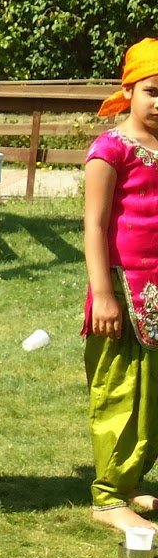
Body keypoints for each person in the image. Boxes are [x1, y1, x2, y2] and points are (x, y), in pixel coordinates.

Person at [82, 38, 158, 533]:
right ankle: (109, 496)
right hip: (124, 294)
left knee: (153, 397)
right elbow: (94, 225)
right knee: (122, 393)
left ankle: (130, 482)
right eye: (153, 90)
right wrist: (104, 294)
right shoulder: (110, 149)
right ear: (128, 89)